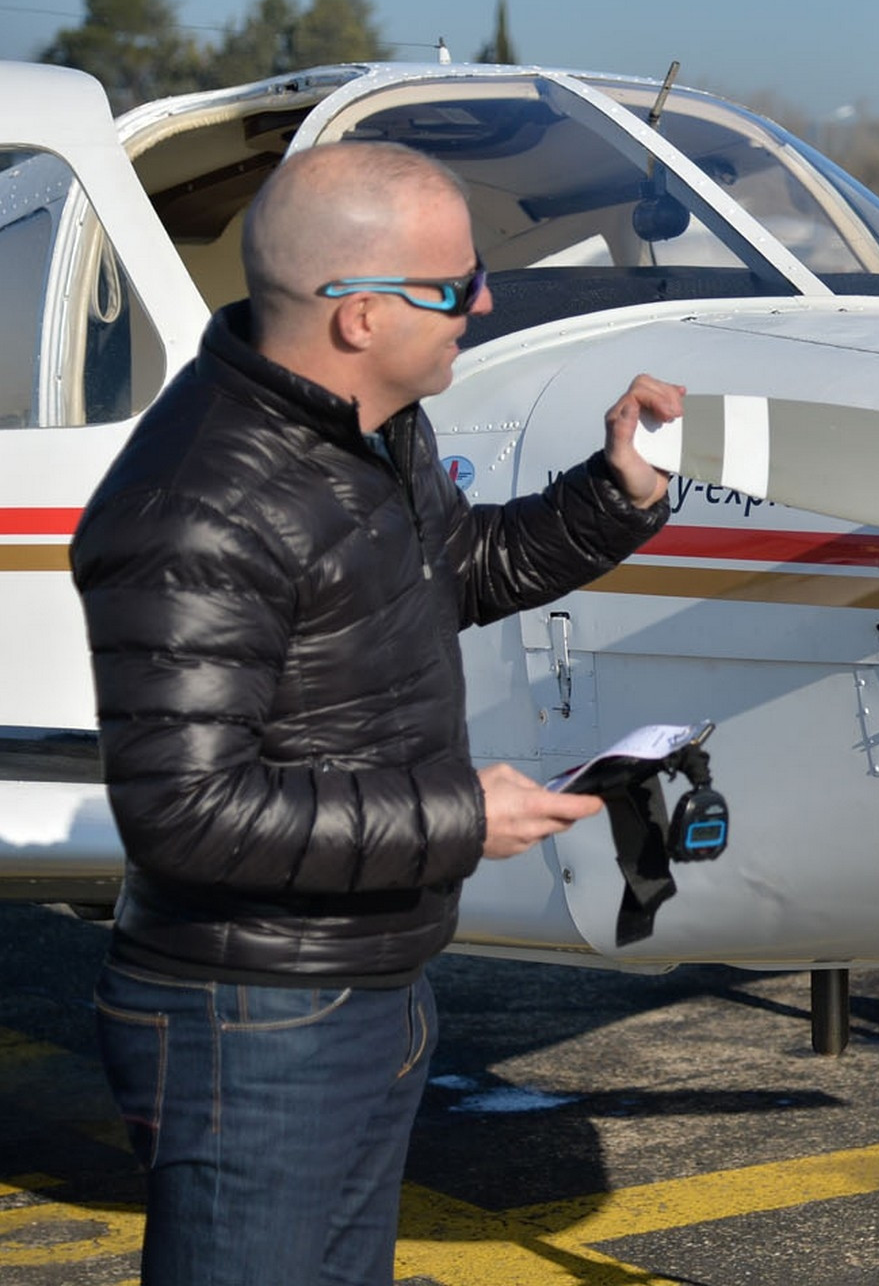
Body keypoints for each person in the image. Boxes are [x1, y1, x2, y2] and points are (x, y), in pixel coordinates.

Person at [69, 139, 685, 1286]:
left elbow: (453, 570)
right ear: (357, 317)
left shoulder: (365, 430)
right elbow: (187, 815)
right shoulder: (199, 505)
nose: (485, 302)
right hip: (249, 1023)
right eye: (457, 286)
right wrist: (456, 816)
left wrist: (616, 494)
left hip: (360, 986)